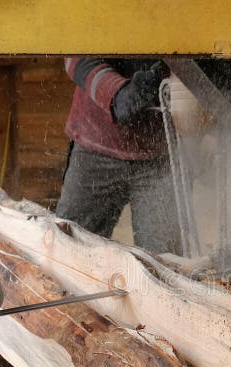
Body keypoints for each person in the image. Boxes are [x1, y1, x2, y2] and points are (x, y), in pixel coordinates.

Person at [56, 58, 182, 254]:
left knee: (163, 260)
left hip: (159, 156)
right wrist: (116, 93)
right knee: (71, 249)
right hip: (95, 145)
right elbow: (75, 56)